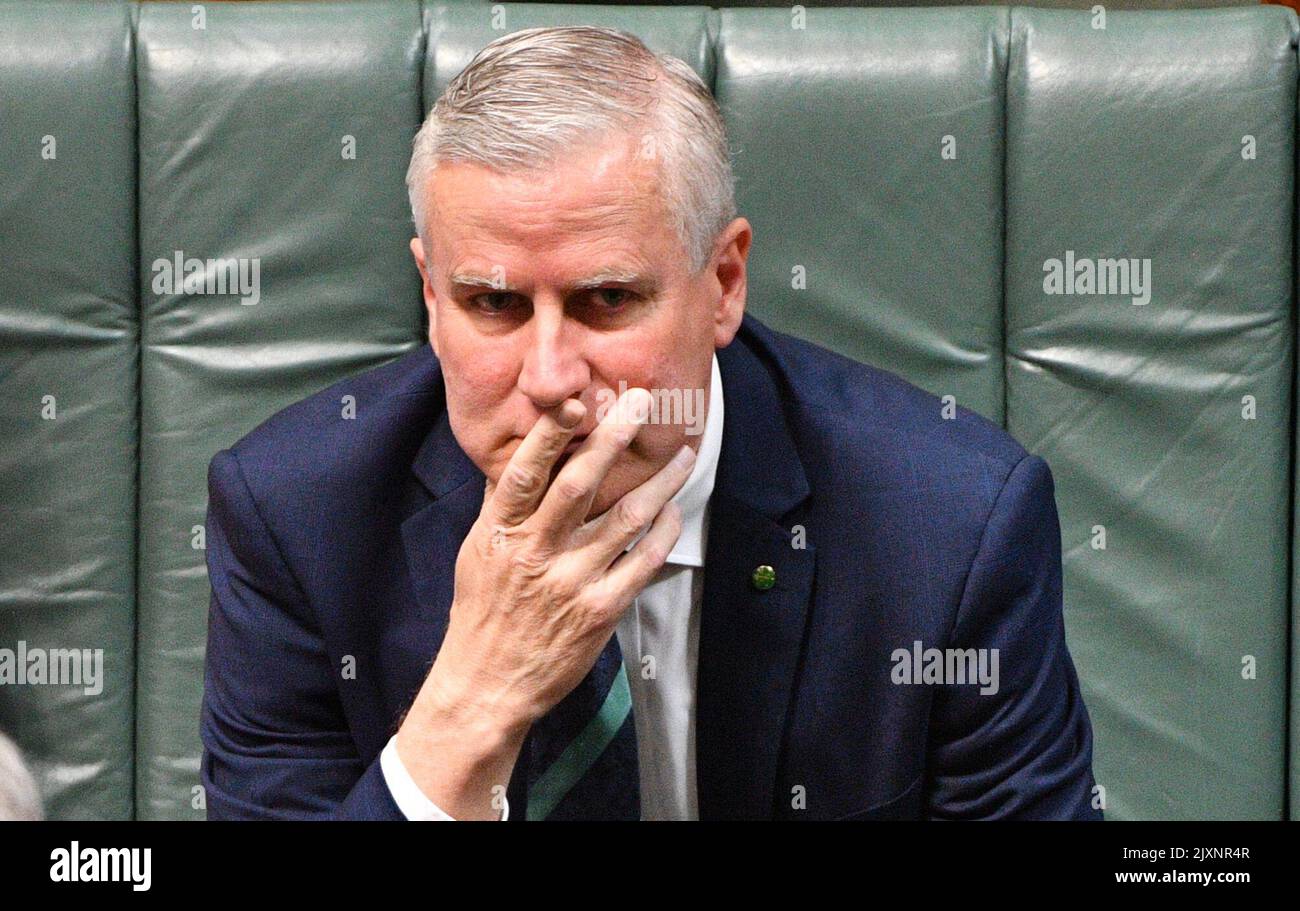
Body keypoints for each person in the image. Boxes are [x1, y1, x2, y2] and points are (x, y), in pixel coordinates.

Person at [200, 26, 1101, 820]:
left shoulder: (951, 526)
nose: (552, 378)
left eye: (607, 299)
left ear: (724, 284)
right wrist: (470, 703)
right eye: (493, 303)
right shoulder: (295, 516)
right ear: (432, 298)